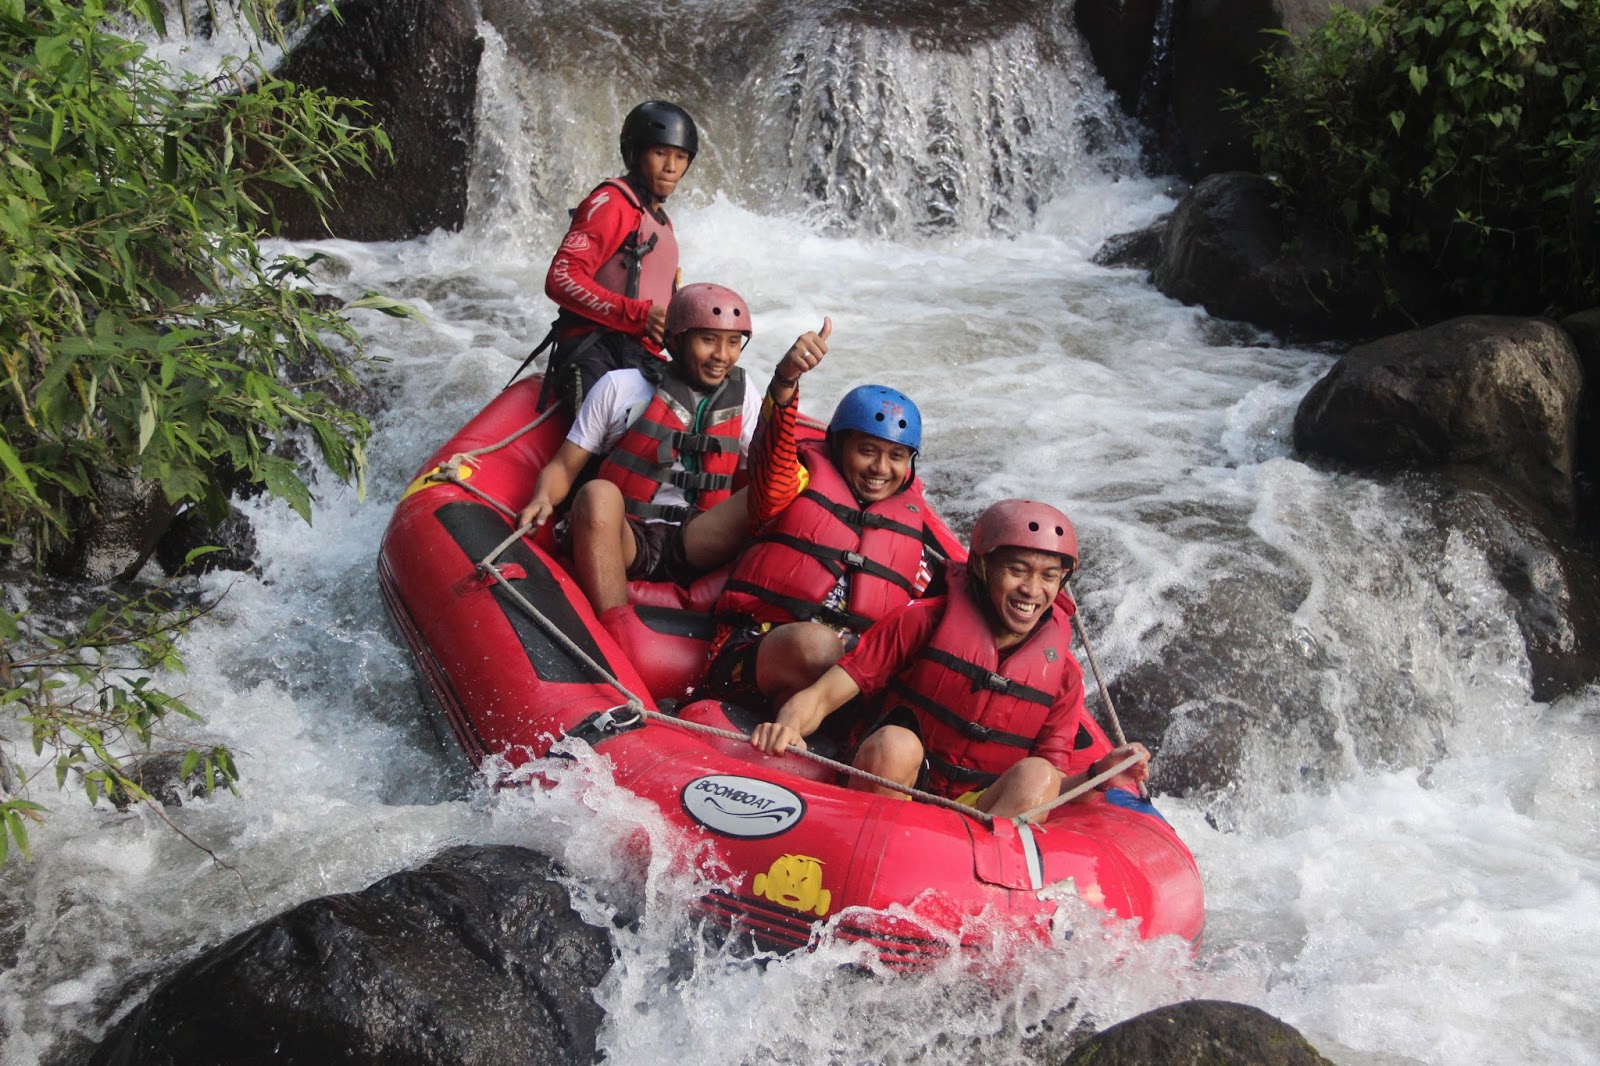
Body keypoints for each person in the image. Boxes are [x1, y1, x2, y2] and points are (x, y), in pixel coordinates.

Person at [749, 499, 1150, 820]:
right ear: (981, 565)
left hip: (977, 813)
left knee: (1037, 775)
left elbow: (1050, 790)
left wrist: (1100, 775)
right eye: (1017, 570)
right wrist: (788, 726)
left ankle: (977, 888)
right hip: (890, 787)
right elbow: (822, 695)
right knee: (897, 744)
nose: (1032, 590)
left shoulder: (1062, 674)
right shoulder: (922, 621)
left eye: (1049, 576)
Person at [517, 283, 832, 615]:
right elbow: (564, 467)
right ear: (676, 340)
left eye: (733, 342)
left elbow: (771, 469)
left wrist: (786, 378)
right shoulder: (619, 387)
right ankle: (614, 627)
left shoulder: (744, 396)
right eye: (708, 340)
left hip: (697, 539)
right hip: (628, 536)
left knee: (783, 486)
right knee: (597, 494)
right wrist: (542, 498)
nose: (722, 356)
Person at [697, 362, 948, 713]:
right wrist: (786, 382)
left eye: (897, 456)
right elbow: (770, 458)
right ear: (838, 446)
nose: (881, 469)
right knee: (816, 646)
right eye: (867, 451)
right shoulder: (794, 486)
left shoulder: (909, 533)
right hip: (752, 655)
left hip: (841, 683)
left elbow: (935, 612)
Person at [537, 100, 699, 413]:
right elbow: (561, 278)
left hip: (643, 358)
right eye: (660, 153)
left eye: (681, 157)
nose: (671, 167)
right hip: (595, 351)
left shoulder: (662, 223)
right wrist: (638, 315)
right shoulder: (611, 203)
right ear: (636, 154)